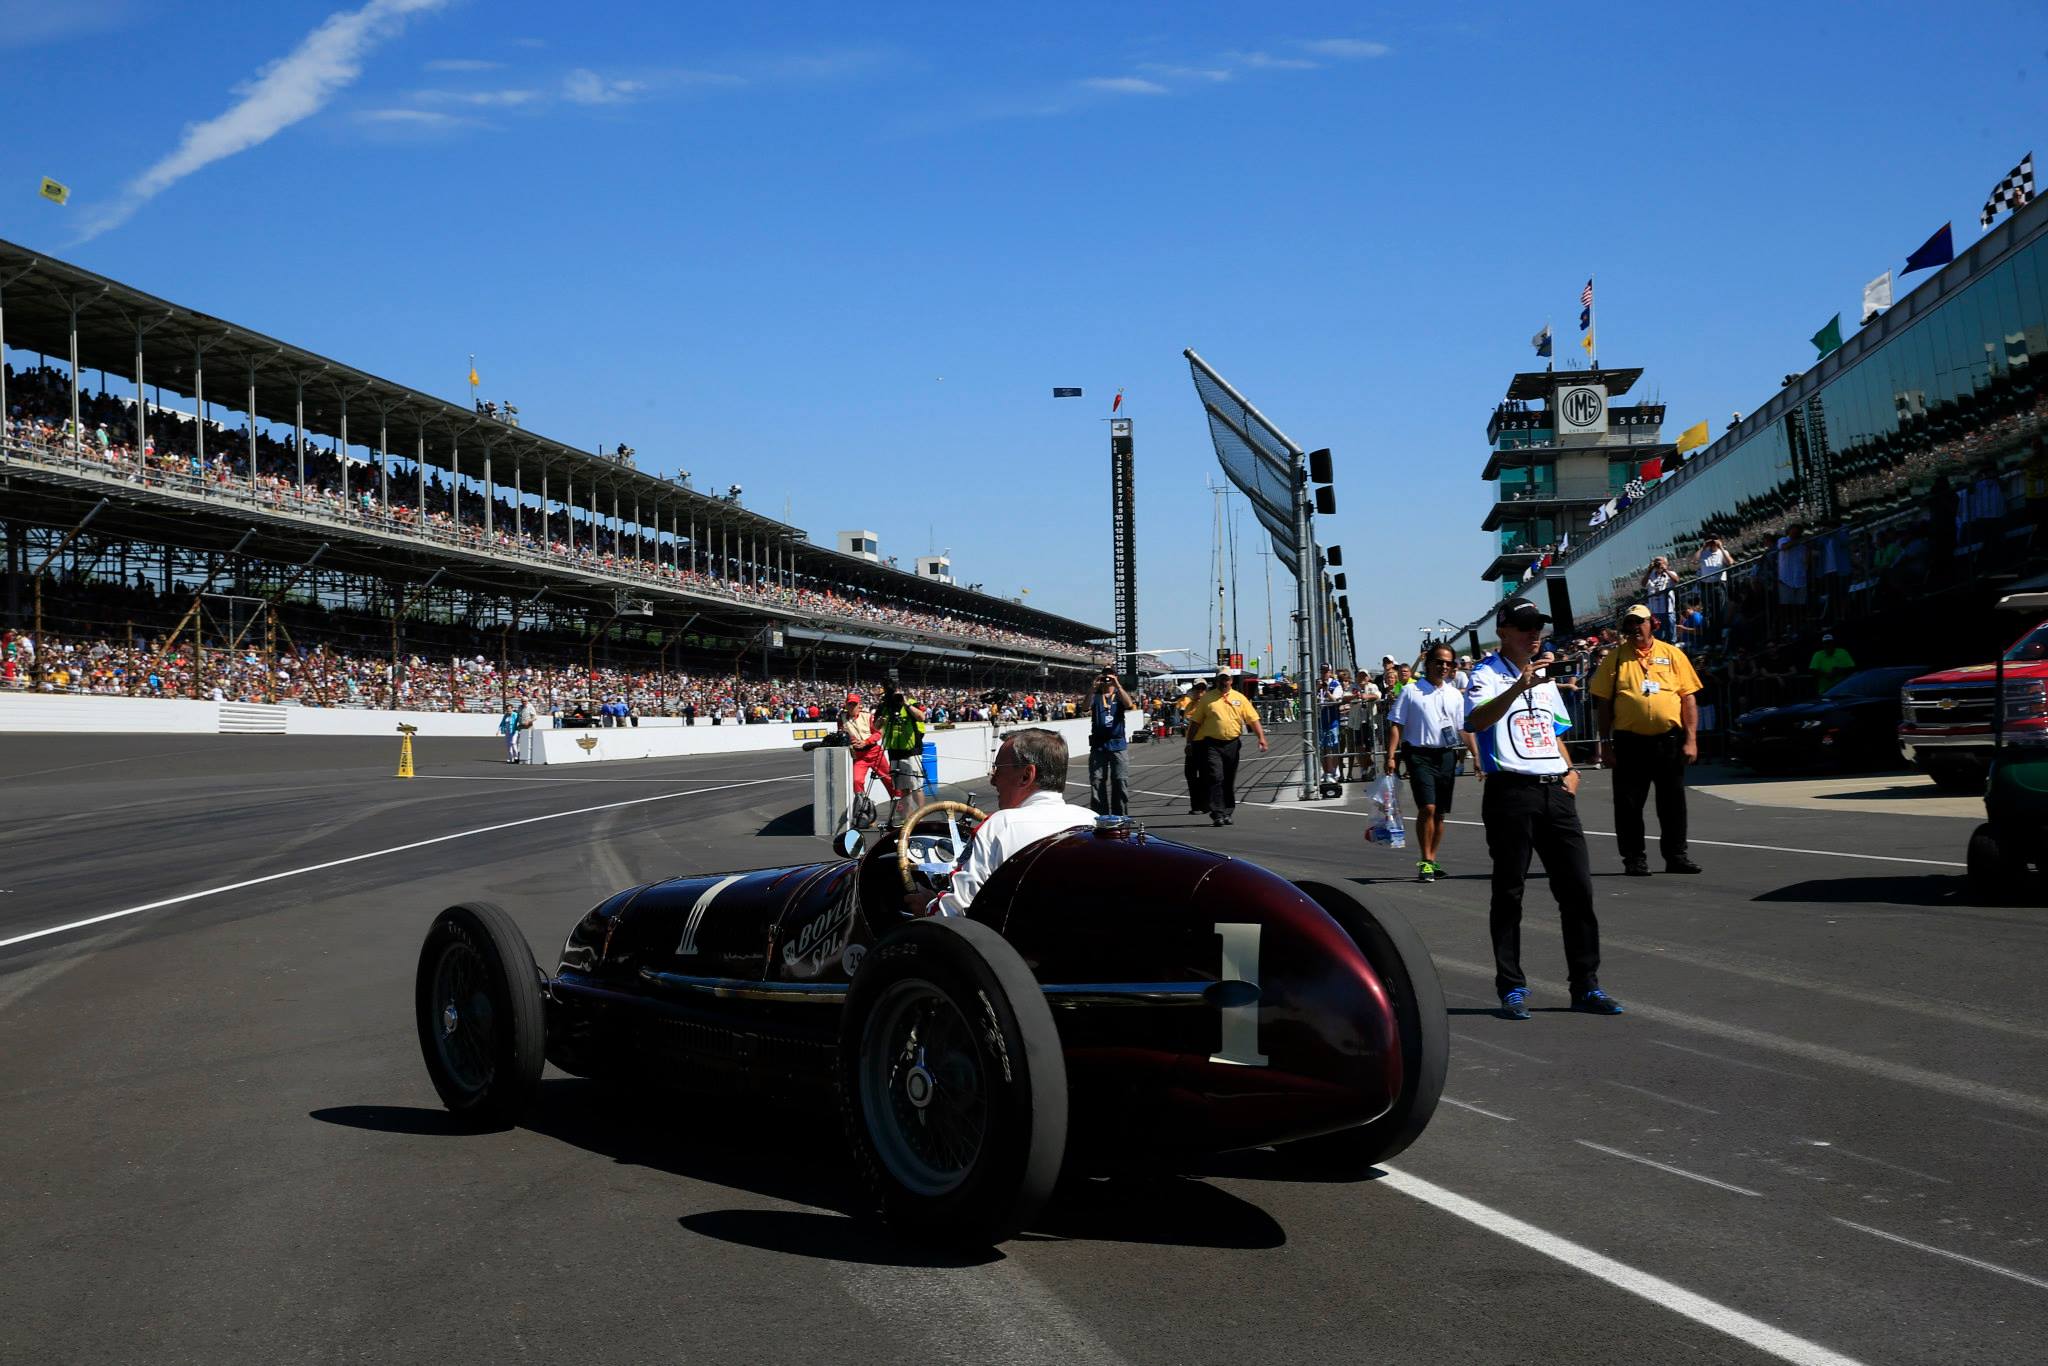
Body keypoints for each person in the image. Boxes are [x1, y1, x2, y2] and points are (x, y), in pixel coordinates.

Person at [1464, 596, 1620, 1020]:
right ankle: (1511, 986)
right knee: (1509, 891)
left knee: (1577, 891)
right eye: (1525, 626)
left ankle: (1586, 985)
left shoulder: (1547, 677)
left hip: (1555, 791)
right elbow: (1475, 722)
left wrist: (1571, 773)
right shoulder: (1484, 675)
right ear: (1503, 631)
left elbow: (1554, 732)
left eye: (1538, 626)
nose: (1534, 634)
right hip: (1511, 792)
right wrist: (1519, 685)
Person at [908, 728, 1099, 917]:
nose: (993, 780)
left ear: (1026, 775)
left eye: (998, 769)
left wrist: (928, 906)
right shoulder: (1092, 821)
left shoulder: (999, 827)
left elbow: (957, 910)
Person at [1589, 603, 1702, 877]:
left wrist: (1691, 739)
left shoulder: (1672, 654)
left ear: (1652, 624)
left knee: (1673, 803)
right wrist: (1605, 744)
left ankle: (1676, 856)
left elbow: (1688, 698)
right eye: (1630, 623)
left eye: (1640, 622)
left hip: (1669, 740)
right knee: (1628, 804)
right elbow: (1603, 704)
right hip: (1630, 743)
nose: (1635, 628)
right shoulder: (1615, 659)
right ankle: (1634, 859)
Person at [1385, 642, 1467, 882]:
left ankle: (1432, 857)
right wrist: (1391, 756)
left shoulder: (1453, 694)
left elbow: (1463, 729)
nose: (1443, 666)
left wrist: (1478, 756)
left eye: (1448, 663)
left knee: (1440, 812)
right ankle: (1425, 860)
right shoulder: (1411, 691)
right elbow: (1396, 724)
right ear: (1428, 663)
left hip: (1446, 755)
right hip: (1418, 754)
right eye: (1438, 662)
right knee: (1427, 807)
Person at [1186, 668, 1268, 826]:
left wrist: (1261, 738)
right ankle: (1217, 813)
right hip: (1212, 744)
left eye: (1227, 679)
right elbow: (1195, 722)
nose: (1224, 682)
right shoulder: (1207, 699)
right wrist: (1189, 742)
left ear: (1231, 681)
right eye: (1221, 679)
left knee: (1229, 779)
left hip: (1232, 743)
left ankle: (1227, 811)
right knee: (1215, 777)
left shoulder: (1240, 698)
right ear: (1217, 681)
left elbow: (1253, 719)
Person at [1087, 666, 1137, 815]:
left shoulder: (1119, 694)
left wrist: (1118, 685)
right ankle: (1099, 816)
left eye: (1110, 674)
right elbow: (1084, 707)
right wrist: (1092, 688)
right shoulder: (1096, 695)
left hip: (1118, 744)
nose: (1107, 677)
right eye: (1105, 674)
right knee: (1097, 781)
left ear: (1115, 676)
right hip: (1098, 745)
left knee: (1120, 780)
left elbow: (1129, 704)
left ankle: (1120, 816)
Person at [839, 692, 898, 812]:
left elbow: (878, 733)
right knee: (857, 781)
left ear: (859, 705)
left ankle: (900, 805)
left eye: (854, 704)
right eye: (849, 704)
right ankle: (864, 809)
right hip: (859, 756)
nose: (852, 707)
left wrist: (866, 742)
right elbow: (842, 735)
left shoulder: (867, 716)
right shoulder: (841, 718)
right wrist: (850, 741)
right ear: (846, 705)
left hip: (875, 752)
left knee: (888, 779)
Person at [878, 682, 928, 802]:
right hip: (894, 751)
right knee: (903, 788)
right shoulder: (885, 706)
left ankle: (920, 817)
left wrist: (905, 703)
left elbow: (921, 717)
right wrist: (881, 721)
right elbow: (876, 726)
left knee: (916, 786)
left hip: (912, 750)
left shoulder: (910, 703)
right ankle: (908, 819)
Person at [1178, 679, 1211, 813]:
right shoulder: (1189, 705)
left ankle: (1206, 804)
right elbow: (1187, 721)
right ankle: (1195, 805)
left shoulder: (1208, 704)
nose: (1200, 691)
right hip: (1192, 743)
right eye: (1198, 688)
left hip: (1205, 741)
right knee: (1190, 775)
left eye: (1203, 689)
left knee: (1205, 775)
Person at [1318, 664, 1350, 783]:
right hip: (1320, 721)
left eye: (1326, 671)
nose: (1324, 673)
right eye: (1322, 671)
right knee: (1322, 747)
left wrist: (1326, 690)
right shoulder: (1317, 684)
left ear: (1330, 672)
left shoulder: (1335, 684)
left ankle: (1333, 770)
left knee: (1332, 747)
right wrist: (1318, 688)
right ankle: (1326, 771)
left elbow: (1336, 701)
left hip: (1332, 720)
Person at [1642, 556, 1678, 641]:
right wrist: (1649, 570)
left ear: (1666, 563)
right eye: (1656, 562)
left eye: (1659, 562)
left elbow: (1676, 580)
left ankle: (1673, 650)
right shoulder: (1651, 575)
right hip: (1655, 611)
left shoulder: (1670, 573)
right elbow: (1643, 584)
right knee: (1658, 637)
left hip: (1668, 610)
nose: (1657, 564)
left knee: (1671, 635)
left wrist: (1665, 570)